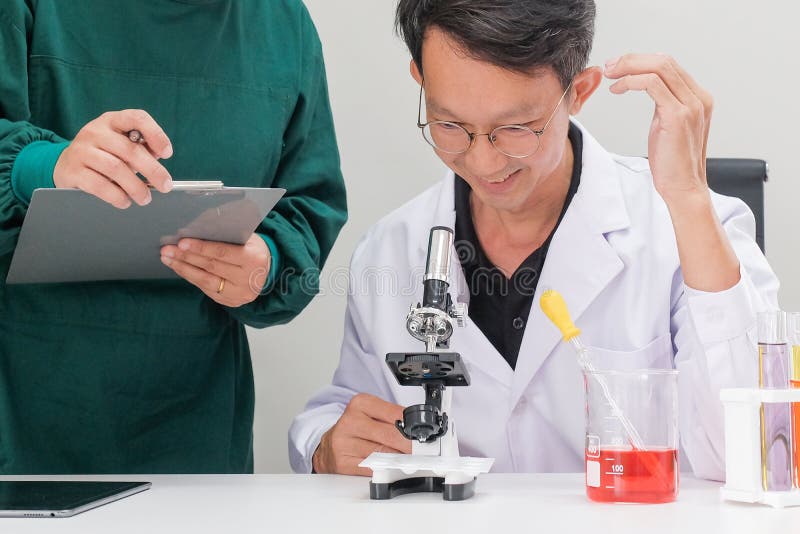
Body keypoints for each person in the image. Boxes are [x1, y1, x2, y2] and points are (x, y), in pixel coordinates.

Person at [289, 0, 778, 480]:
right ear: (421, 81)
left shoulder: (687, 229)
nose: (483, 163)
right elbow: (343, 408)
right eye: (450, 125)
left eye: (516, 128)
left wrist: (689, 198)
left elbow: (749, 452)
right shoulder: (391, 248)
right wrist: (326, 443)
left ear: (579, 91)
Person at [0, 0, 346, 473]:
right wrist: (37, 166)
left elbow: (309, 207)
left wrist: (265, 264)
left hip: (198, 430)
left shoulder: (284, 24)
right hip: (24, 417)